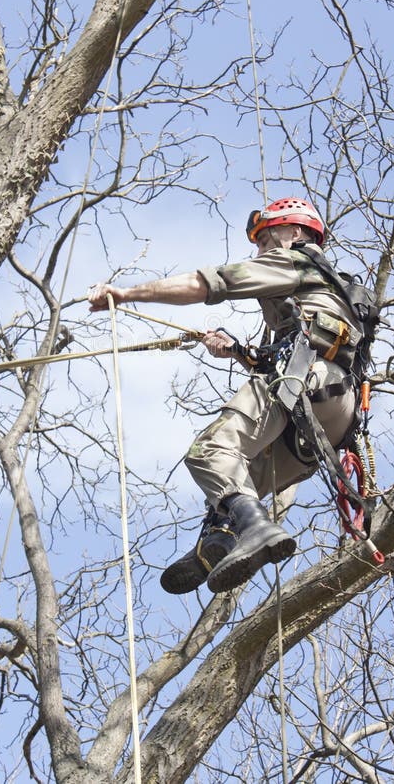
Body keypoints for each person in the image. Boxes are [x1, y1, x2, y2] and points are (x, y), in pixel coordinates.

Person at [88, 197, 361, 594]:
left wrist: (126, 294)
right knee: (234, 481)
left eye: (266, 240)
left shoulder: (294, 261)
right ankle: (218, 540)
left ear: (296, 233)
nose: (261, 252)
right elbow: (305, 346)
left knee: (211, 451)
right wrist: (238, 352)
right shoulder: (333, 291)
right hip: (334, 415)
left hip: (306, 383)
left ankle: (254, 529)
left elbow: (209, 282)